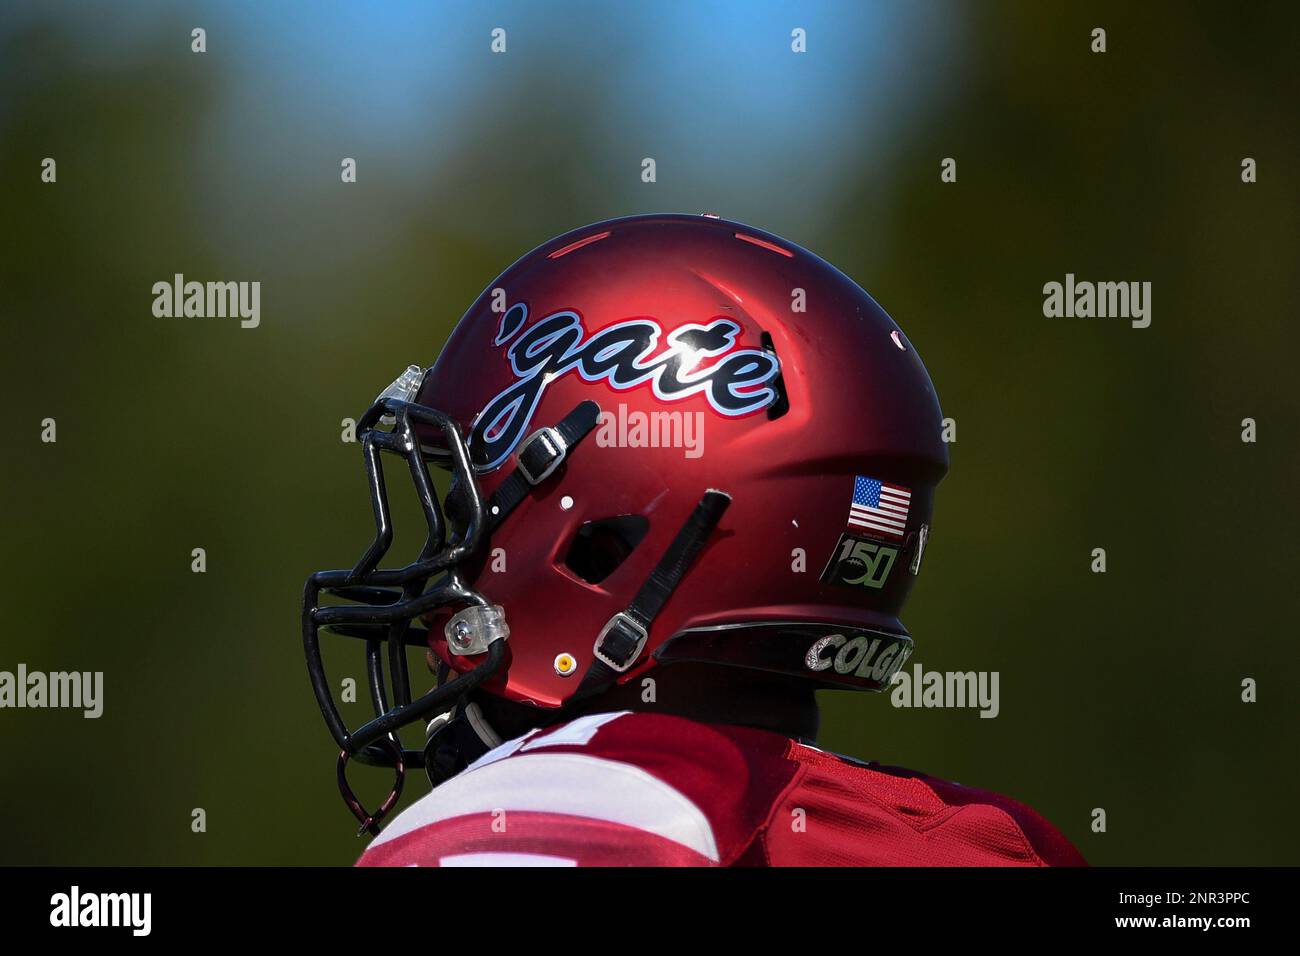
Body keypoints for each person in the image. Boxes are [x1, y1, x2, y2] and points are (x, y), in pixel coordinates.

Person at [301, 213, 1085, 867]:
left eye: (466, 507)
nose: (442, 567)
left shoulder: (554, 809)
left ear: (602, 542)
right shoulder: (1000, 841)